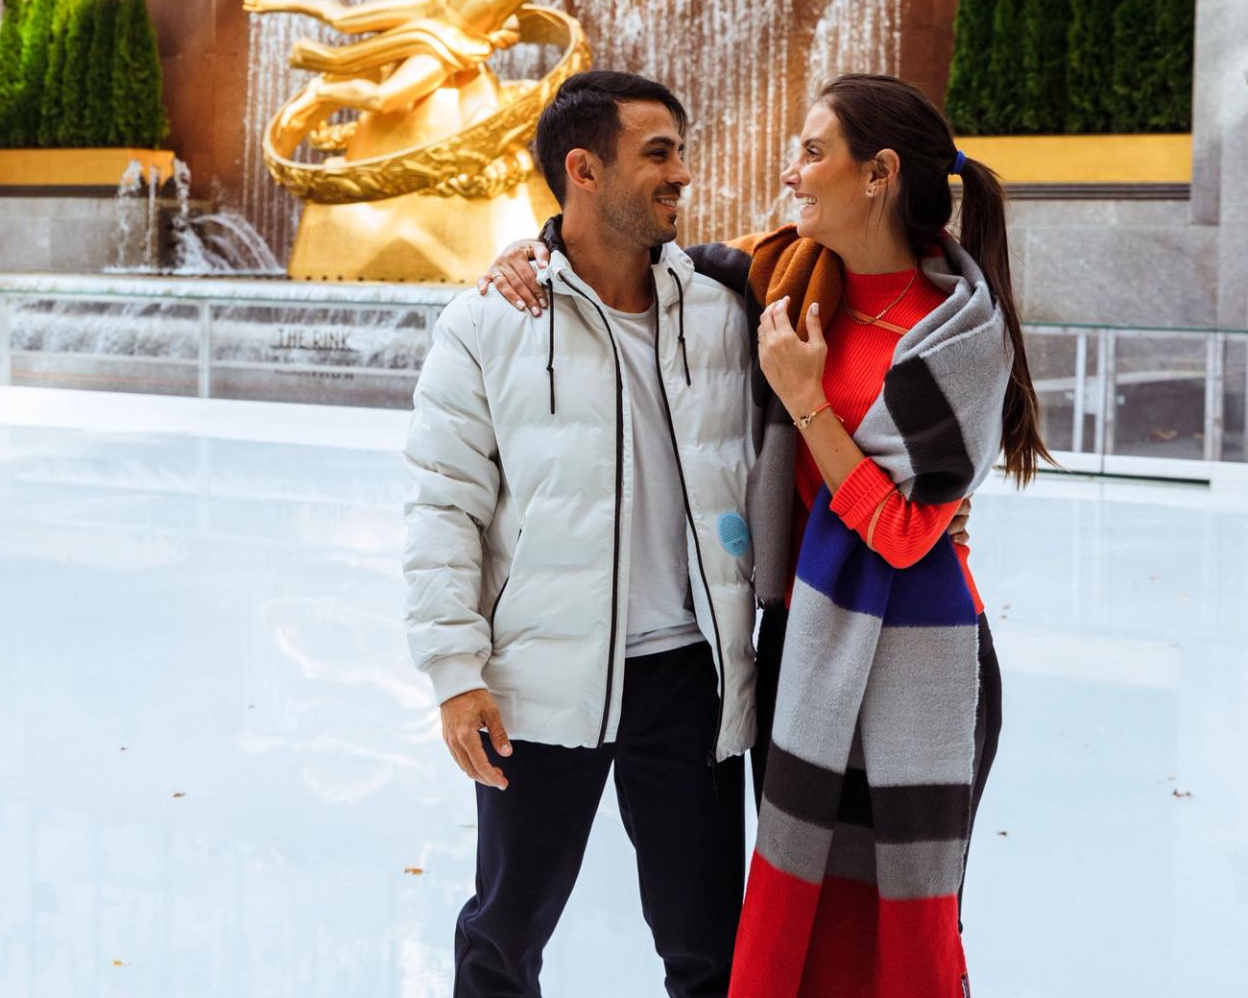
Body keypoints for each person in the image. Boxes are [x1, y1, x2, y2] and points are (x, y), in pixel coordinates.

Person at [477, 76, 1017, 998]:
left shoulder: (958, 334)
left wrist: (806, 402)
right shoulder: (783, 280)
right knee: (801, 927)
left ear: (879, 174)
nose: (790, 171)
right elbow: (621, 254)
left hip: (913, 657)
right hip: (804, 650)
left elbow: (898, 533)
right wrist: (534, 250)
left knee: (898, 928)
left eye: (812, 151)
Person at [405, 71, 759, 998]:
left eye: (681, 152)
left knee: (712, 952)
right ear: (584, 170)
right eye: (658, 154)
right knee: (503, 940)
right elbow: (444, 507)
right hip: (540, 679)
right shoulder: (487, 322)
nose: (682, 173)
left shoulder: (724, 309)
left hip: (692, 681)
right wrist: (456, 674)